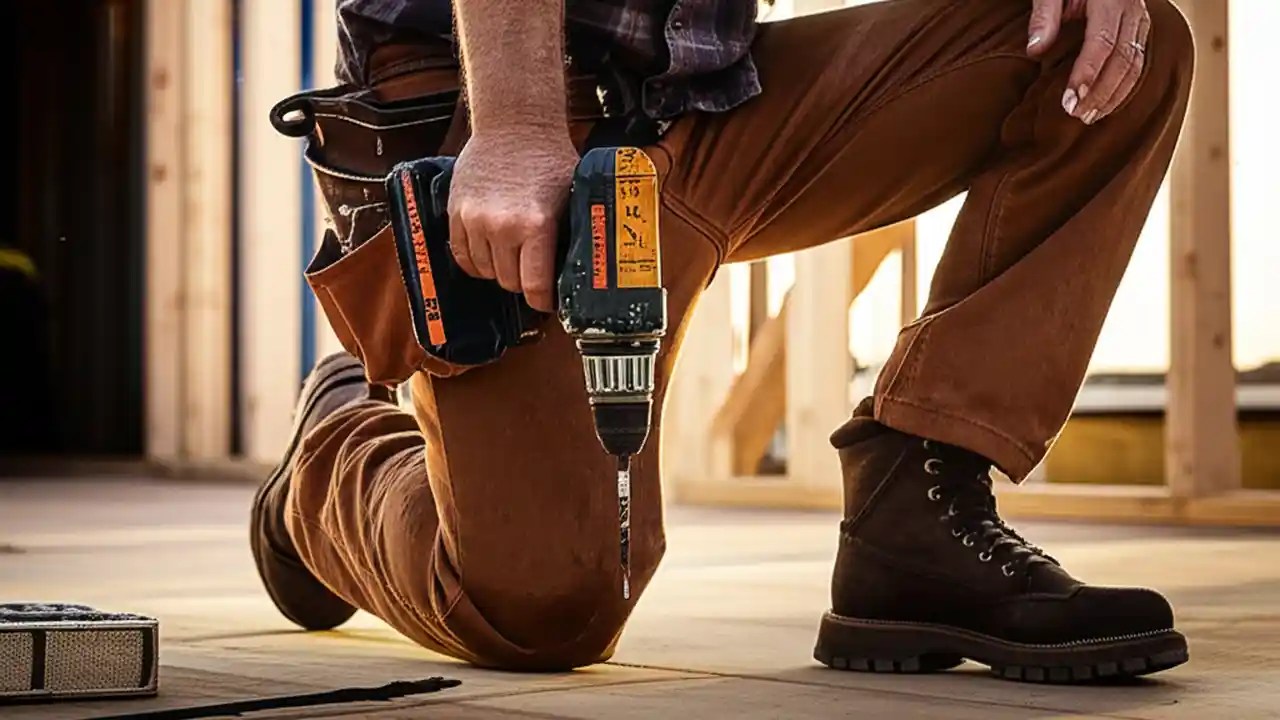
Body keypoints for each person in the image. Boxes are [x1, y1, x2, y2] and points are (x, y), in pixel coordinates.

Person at [252, 0, 1194, 680]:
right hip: (496, 102)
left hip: (705, 102)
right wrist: (515, 122)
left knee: (1105, 48)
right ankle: (332, 448)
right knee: (542, 610)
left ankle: (917, 516)